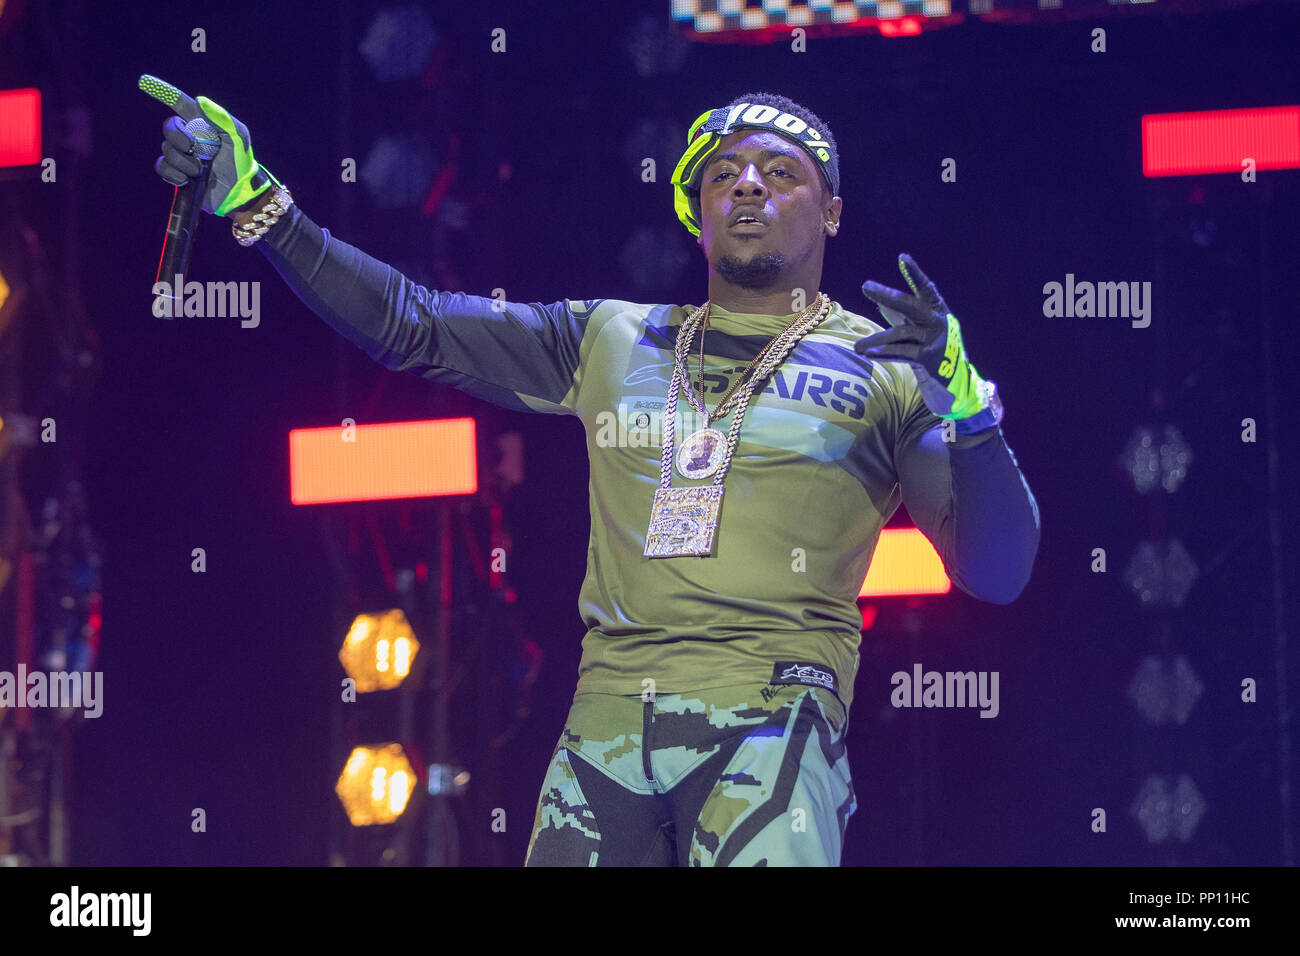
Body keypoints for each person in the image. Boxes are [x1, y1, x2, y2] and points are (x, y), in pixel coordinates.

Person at [153, 88, 1040, 866]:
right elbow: (414, 323)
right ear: (696, 206)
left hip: (776, 722)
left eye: (782, 169)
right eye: (724, 169)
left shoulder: (887, 367)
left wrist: (966, 408)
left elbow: (996, 572)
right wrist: (258, 203)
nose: (749, 184)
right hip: (606, 728)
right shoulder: (614, 336)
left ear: (832, 209)